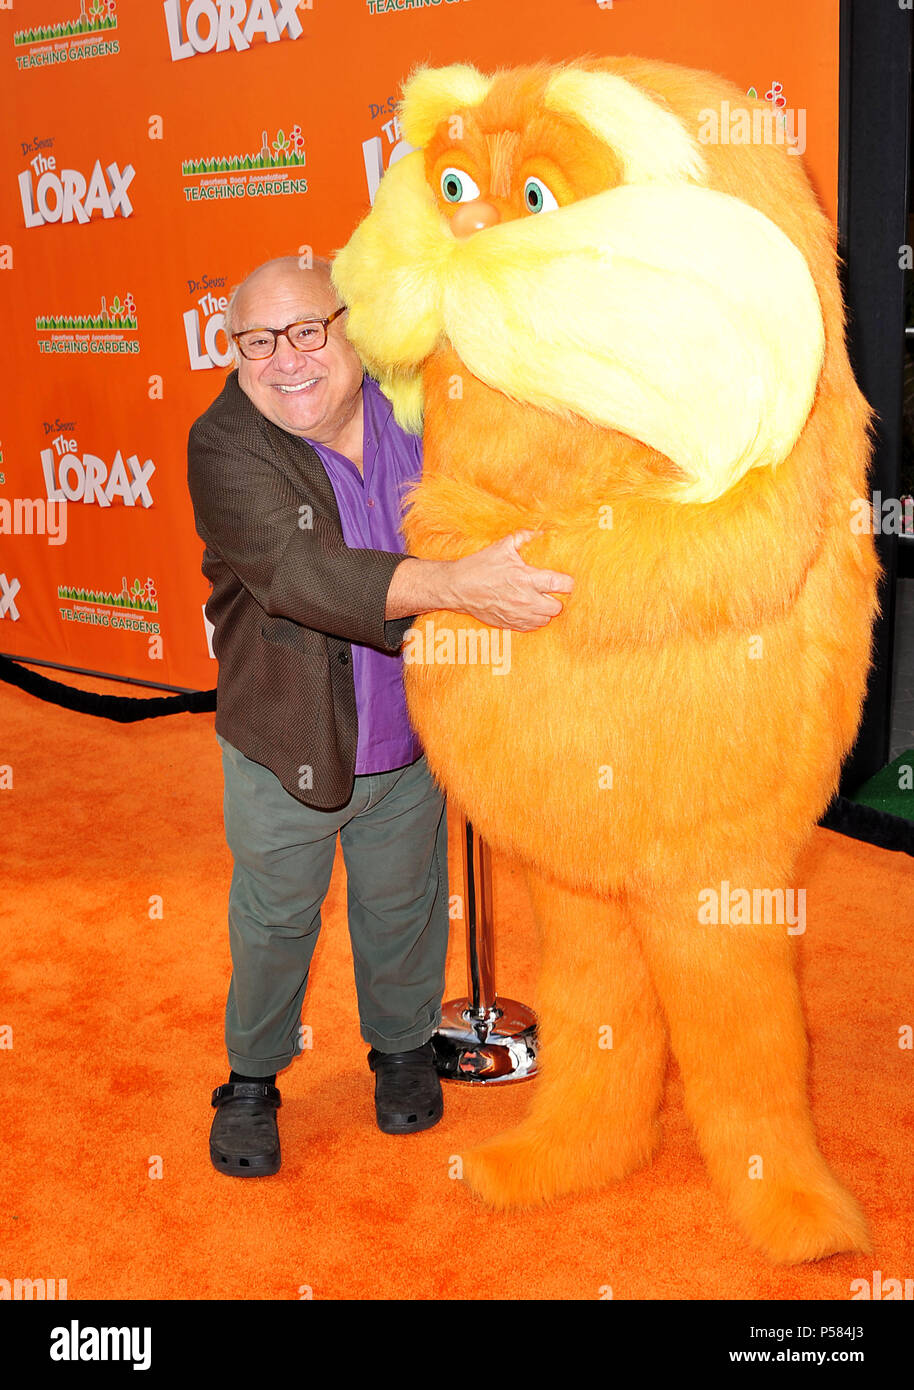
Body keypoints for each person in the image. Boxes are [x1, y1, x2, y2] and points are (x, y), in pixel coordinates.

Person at [186, 254, 573, 1177]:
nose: (286, 360)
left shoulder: (419, 402)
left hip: (412, 726)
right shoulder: (224, 442)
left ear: (352, 327)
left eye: (306, 331)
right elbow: (300, 575)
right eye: (256, 342)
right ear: (233, 352)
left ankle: (401, 1050)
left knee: (404, 903)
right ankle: (252, 1081)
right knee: (276, 919)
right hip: (288, 735)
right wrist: (458, 584)